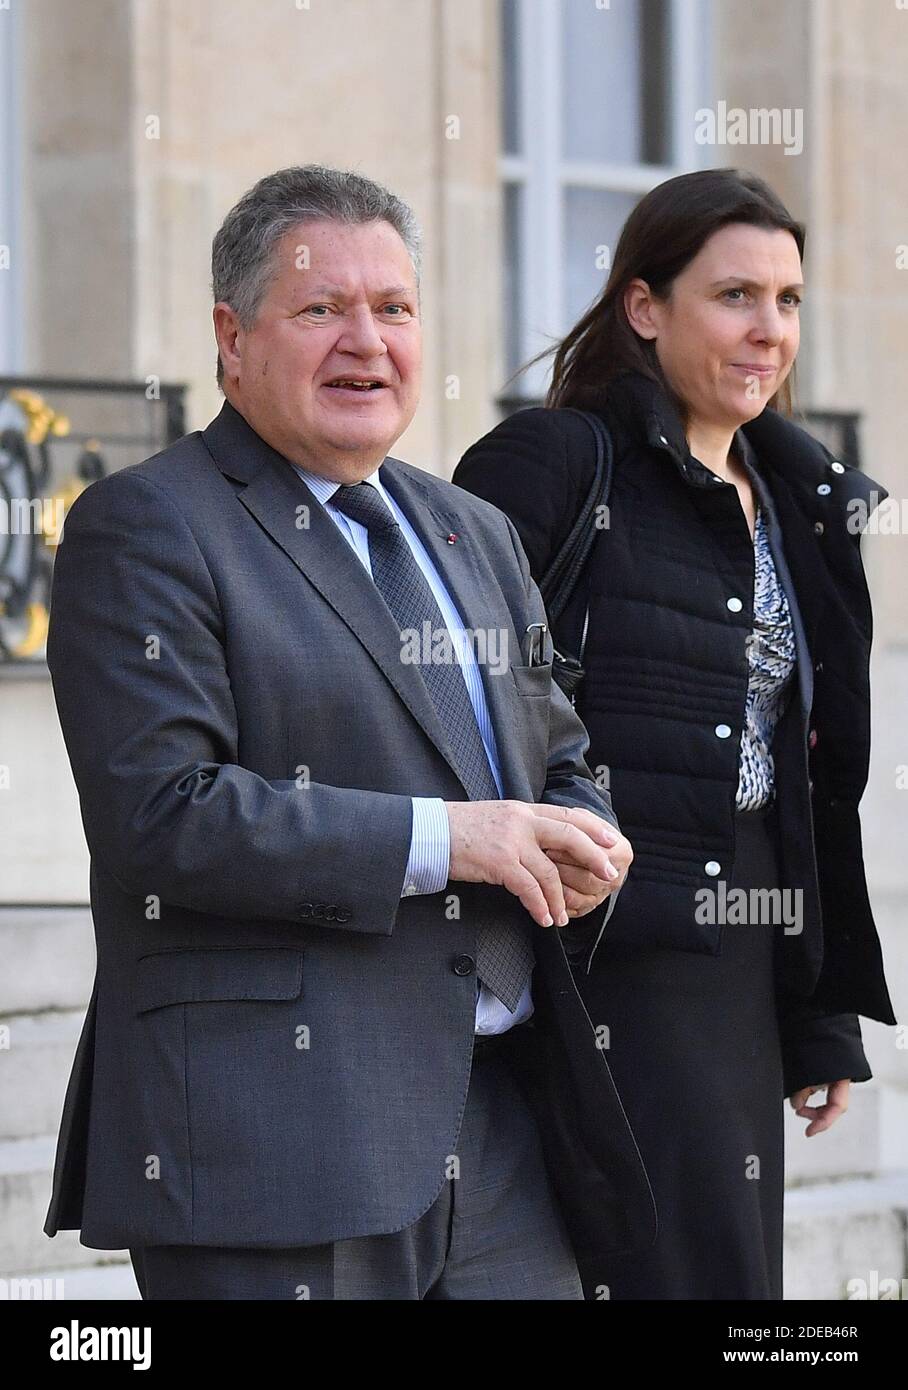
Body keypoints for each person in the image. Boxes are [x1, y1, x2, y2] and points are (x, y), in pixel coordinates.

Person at [41, 164, 653, 1301]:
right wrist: (450, 839)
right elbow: (162, 815)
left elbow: (554, 752)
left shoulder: (472, 531)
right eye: (322, 308)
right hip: (271, 1140)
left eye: (395, 309)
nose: (364, 340)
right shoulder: (147, 525)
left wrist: (583, 828)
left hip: (508, 1127)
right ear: (231, 338)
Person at [453, 168, 895, 1300]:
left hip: (739, 945)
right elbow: (446, 695)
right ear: (643, 307)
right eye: (733, 295)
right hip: (601, 940)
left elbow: (811, 779)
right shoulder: (551, 463)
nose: (767, 330)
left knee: (729, 1271)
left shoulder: (797, 499)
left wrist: (817, 1011)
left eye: (787, 300)